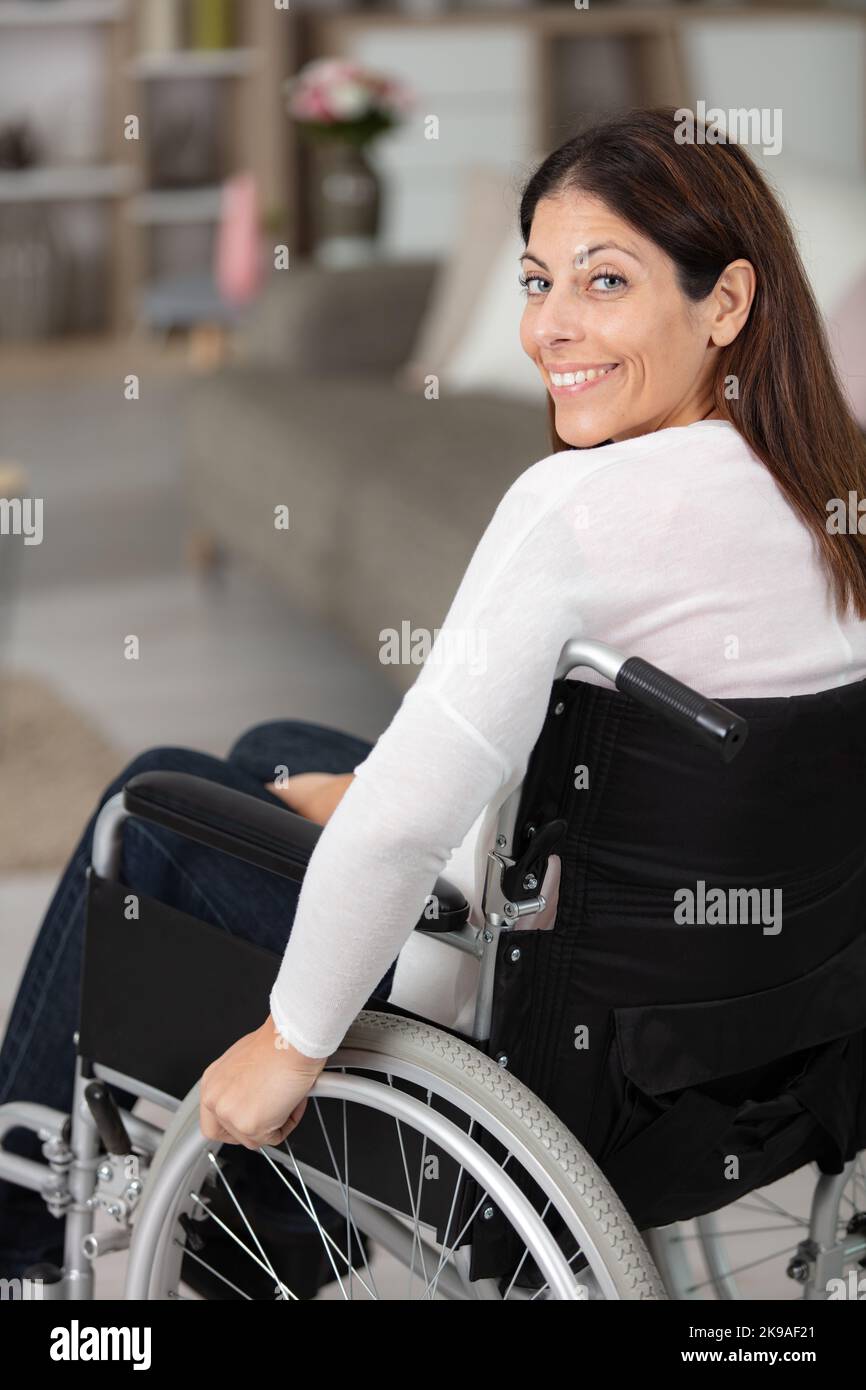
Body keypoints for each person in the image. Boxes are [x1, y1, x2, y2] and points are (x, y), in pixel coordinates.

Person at [3, 106, 866, 1288]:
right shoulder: (827, 490)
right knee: (275, 747)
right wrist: (384, 797)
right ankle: (285, 1231)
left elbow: (405, 827)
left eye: (602, 281)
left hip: (547, 1033)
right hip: (736, 1042)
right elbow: (630, 792)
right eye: (535, 280)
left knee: (146, 807)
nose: (548, 327)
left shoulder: (569, 511)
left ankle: (11, 1215)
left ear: (724, 302)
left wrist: (288, 1042)